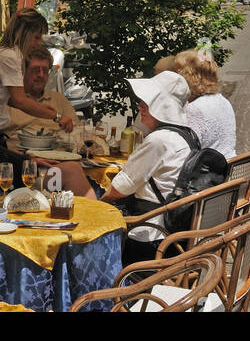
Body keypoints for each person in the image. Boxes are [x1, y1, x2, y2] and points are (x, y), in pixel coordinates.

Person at [101, 71, 194, 260]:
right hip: (175, 231)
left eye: (147, 102)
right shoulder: (186, 136)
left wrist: (96, 206)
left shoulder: (159, 140)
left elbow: (119, 189)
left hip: (151, 235)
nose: (140, 107)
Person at [0, 9, 68, 136]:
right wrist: (57, 117)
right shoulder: (9, 56)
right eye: (36, 37)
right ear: (24, 34)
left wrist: (42, 109)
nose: (39, 43)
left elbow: (10, 99)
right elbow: (19, 100)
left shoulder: (10, 54)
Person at [173, 49, 237, 159]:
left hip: (207, 172)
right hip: (227, 167)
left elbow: (182, 150)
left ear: (187, 77)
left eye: (176, 73)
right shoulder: (222, 100)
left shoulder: (195, 109)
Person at [8, 45, 77, 133]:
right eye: (36, 70)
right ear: (23, 72)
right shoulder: (12, 100)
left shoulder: (59, 99)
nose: (41, 75)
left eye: (45, 70)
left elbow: (76, 130)